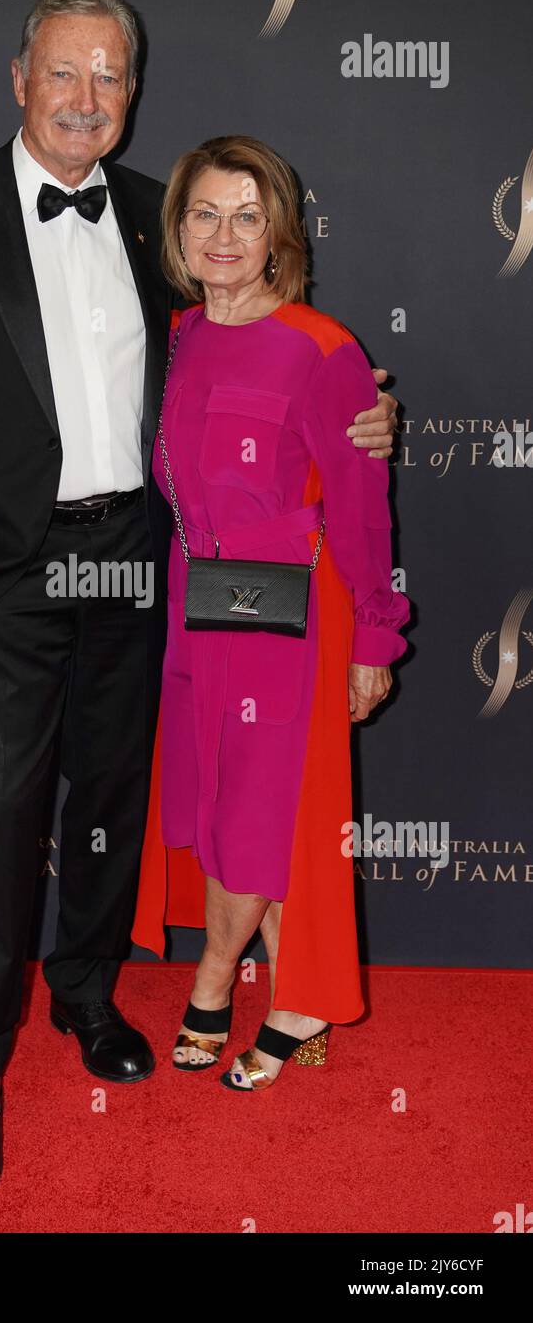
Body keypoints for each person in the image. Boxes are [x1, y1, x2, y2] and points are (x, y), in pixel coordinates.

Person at [0, 0, 398, 1195]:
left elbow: (260, 343)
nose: (86, 97)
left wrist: (360, 410)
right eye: (64, 72)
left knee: (112, 786)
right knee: (4, 810)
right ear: (18, 78)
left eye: (109, 77)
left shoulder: (163, 217)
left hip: (140, 558)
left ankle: (88, 996)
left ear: (131, 94)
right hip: (2, 563)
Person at [147, 135, 410, 1089]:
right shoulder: (178, 338)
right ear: (178, 229)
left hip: (293, 621)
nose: (224, 235)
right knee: (228, 806)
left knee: (261, 808)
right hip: (201, 612)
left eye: (248, 217)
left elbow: (361, 509)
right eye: (205, 214)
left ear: (279, 236)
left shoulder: (324, 348)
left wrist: (375, 637)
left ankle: (235, 984)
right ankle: (280, 984)